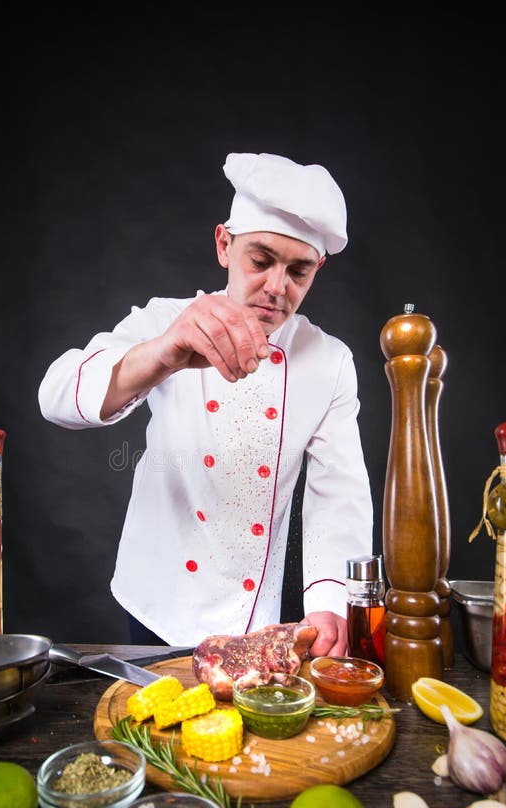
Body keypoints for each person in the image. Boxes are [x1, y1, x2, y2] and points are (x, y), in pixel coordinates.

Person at [39, 151, 373, 657]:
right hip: (157, 600)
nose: (276, 288)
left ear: (317, 268)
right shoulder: (170, 320)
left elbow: (339, 491)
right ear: (224, 244)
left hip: (251, 615)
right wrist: (163, 355)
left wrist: (329, 600)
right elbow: (56, 394)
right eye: (260, 261)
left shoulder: (329, 362)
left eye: (299, 272)